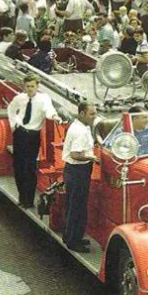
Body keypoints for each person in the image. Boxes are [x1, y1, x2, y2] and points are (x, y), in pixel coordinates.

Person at [7, 75, 61, 209]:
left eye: (32, 86)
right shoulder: (20, 98)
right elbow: (11, 109)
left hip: (32, 136)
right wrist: (13, 125)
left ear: (37, 86)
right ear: (24, 87)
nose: (30, 89)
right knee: (18, 167)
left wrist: (54, 117)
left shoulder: (43, 99)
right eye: (27, 86)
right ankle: (22, 196)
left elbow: (49, 110)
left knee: (30, 168)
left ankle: (29, 200)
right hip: (20, 133)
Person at [61, 102, 97, 252]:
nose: (94, 117)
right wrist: (93, 158)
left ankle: (70, 235)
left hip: (74, 171)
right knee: (77, 206)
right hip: (78, 171)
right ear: (81, 113)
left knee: (73, 205)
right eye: (91, 114)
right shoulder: (80, 131)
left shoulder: (81, 127)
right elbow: (75, 154)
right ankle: (73, 242)